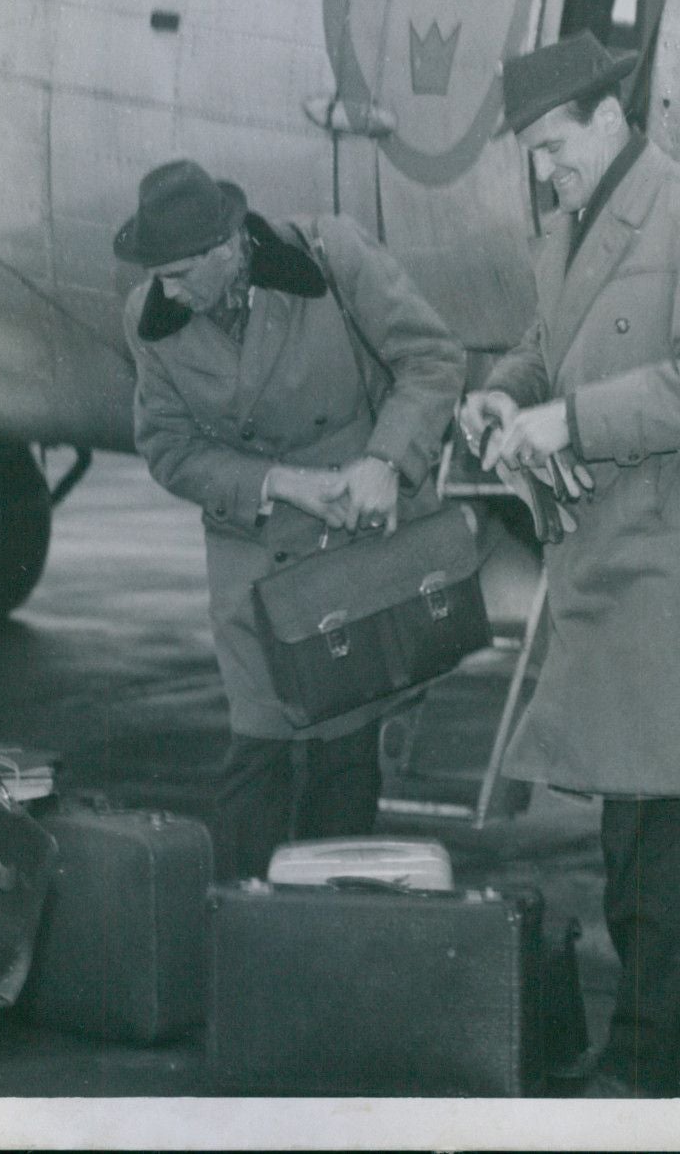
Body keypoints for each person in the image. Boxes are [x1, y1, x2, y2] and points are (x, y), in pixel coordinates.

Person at [459, 31, 680, 1097]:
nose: (544, 170)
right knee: (671, 816)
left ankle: (644, 1065)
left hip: (679, 558)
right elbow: (546, 344)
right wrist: (505, 392)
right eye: (533, 155)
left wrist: (571, 421)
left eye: (553, 146)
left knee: (649, 821)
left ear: (607, 116)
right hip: (611, 554)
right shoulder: (569, 227)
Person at [117, 159, 466, 881]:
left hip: (352, 545)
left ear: (227, 247)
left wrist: (386, 462)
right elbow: (170, 448)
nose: (166, 292)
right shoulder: (150, 318)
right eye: (157, 276)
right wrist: (278, 483)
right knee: (257, 758)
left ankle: (331, 922)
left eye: (178, 274)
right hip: (253, 552)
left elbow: (432, 360)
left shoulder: (330, 258)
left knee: (345, 759)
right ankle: (240, 924)